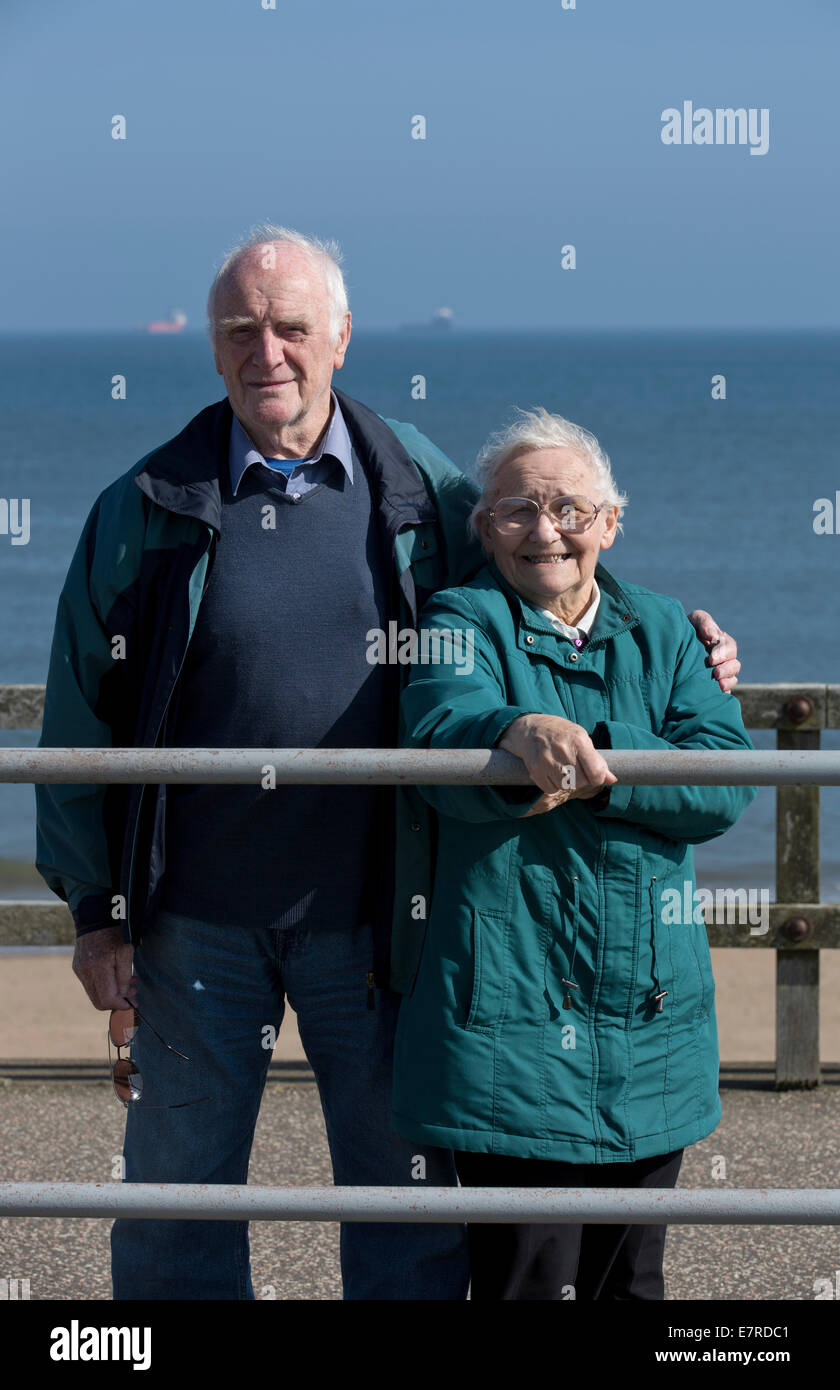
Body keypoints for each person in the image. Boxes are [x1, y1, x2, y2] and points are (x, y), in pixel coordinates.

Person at [35, 226, 740, 1301]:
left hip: (384, 919)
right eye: (240, 330)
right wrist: (97, 910)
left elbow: (545, 548)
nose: (266, 351)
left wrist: (679, 637)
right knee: (179, 1200)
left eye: (291, 328)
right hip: (193, 924)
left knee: (407, 1208)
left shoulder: (419, 480)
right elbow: (80, 717)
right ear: (215, 347)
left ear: (343, 339)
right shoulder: (143, 506)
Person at [391, 407, 756, 1301]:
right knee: (524, 1283)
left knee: (634, 1286)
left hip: (652, 1028)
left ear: (612, 521)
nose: (546, 531)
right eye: (517, 510)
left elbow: (722, 786)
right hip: (505, 1033)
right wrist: (514, 730)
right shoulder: (455, 618)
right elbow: (441, 738)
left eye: (570, 509)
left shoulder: (667, 629)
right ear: (483, 528)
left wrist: (592, 751)